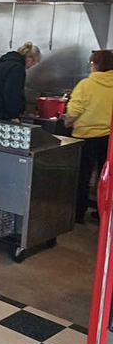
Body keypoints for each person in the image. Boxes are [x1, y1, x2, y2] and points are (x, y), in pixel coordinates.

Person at [65, 49, 113, 223]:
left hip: (85, 136)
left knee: (82, 176)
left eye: (91, 63)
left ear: (96, 65)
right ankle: (103, 214)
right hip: (108, 138)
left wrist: (68, 121)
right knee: (105, 177)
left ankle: (78, 214)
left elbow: (75, 110)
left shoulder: (86, 84)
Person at [0, 41, 42, 121]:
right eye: (33, 64)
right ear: (30, 59)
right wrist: (14, 116)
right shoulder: (17, 68)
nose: (30, 67)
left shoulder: (0, 62)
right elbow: (12, 94)